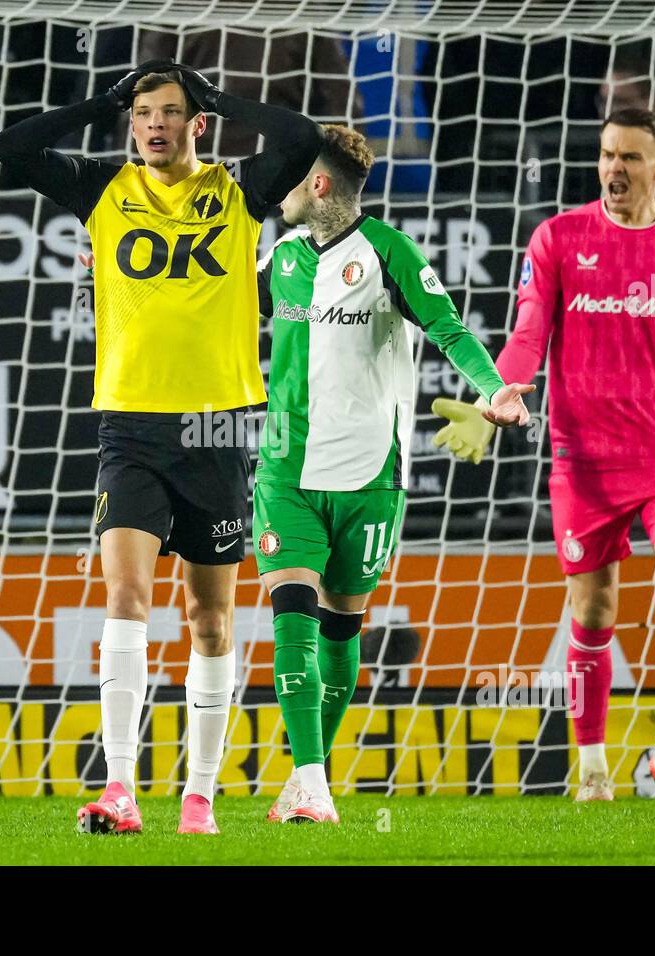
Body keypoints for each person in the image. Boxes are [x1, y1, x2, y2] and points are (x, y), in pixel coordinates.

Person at [0, 61, 321, 834]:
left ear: (195, 123)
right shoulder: (104, 189)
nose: (156, 126)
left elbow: (302, 138)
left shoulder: (238, 195)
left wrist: (220, 96)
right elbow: (11, 146)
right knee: (126, 597)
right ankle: (119, 790)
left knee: (211, 619)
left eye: (172, 112)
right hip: (130, 428)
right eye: (143, 114)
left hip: (217, 428)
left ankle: (198, 797)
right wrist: (102, 101)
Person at [433, 108, 655, 803]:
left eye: (629, 157)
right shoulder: (559, 239)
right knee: (593, 612)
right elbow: (528, 335)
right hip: (586, 458)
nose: (613, 169)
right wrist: (491, 400)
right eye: (605, 155)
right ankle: (592, 768)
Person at [252, 124, 532, 823]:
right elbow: (213, 302)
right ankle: (313, 780)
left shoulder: (389, 253)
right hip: (285, 472)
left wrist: (493, 388)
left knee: (342, 631)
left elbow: (449, 329)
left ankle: (308, 774)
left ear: (318, 184)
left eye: (290, 175)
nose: (275, 190)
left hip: (370, 477)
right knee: (292, 621)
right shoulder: (279, 258)